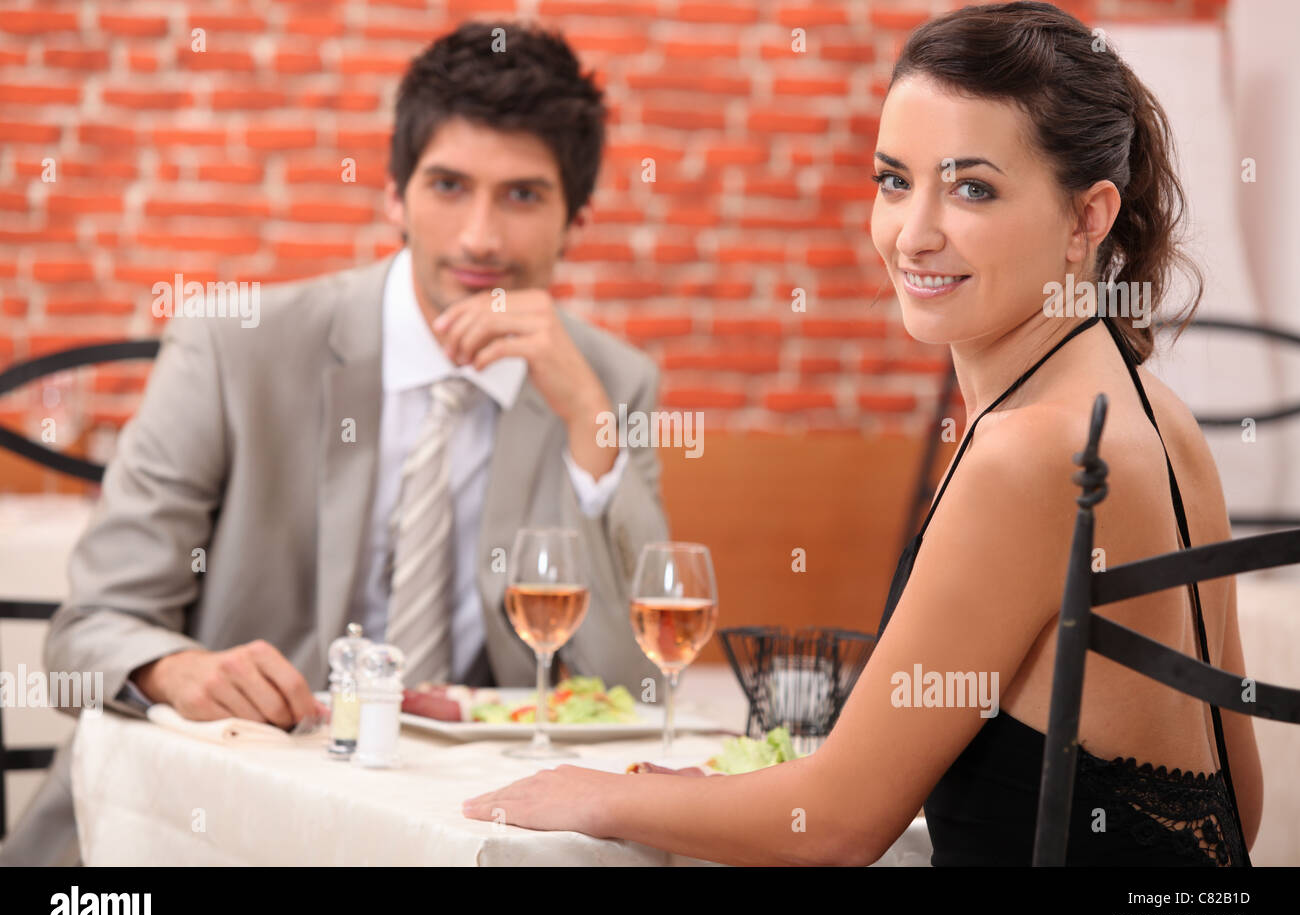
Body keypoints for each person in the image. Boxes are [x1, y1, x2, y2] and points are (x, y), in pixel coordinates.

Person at [462, 2, 1264, 866]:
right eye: (893, 180)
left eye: (972, 188)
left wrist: (602, 794)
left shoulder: (1031, 452)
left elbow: (839, 826)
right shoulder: (1154, 411)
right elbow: (1234, 807)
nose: (912, 234)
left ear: (1087, 219)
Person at [2, 21, 668, 866]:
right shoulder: (232, 347)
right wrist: (172, 670)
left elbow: (637, 686)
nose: (480, 239)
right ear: (395, 193)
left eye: (524, 196)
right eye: (449, 186)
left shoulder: (612, 382)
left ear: (576, 218)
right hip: (217, 820)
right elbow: (87, 631)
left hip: (451, 827)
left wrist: (587, 421)